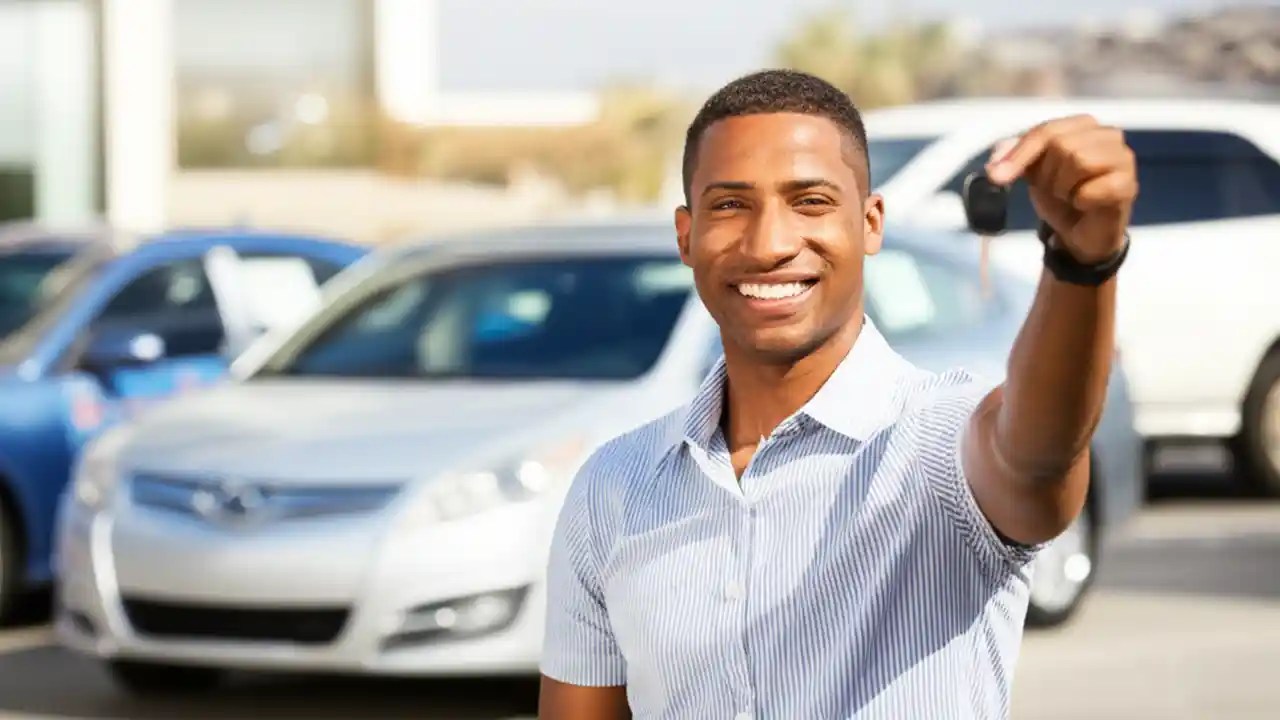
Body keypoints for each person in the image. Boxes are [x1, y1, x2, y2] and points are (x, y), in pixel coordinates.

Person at [538, 69, 1136, 719]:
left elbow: (1039, 455)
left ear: (870, 223)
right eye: (731, 205)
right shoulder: (614, 487)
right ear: (686, 236)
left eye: (811, 201)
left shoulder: (942, 442)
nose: (769, 244)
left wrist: (1081, 264)